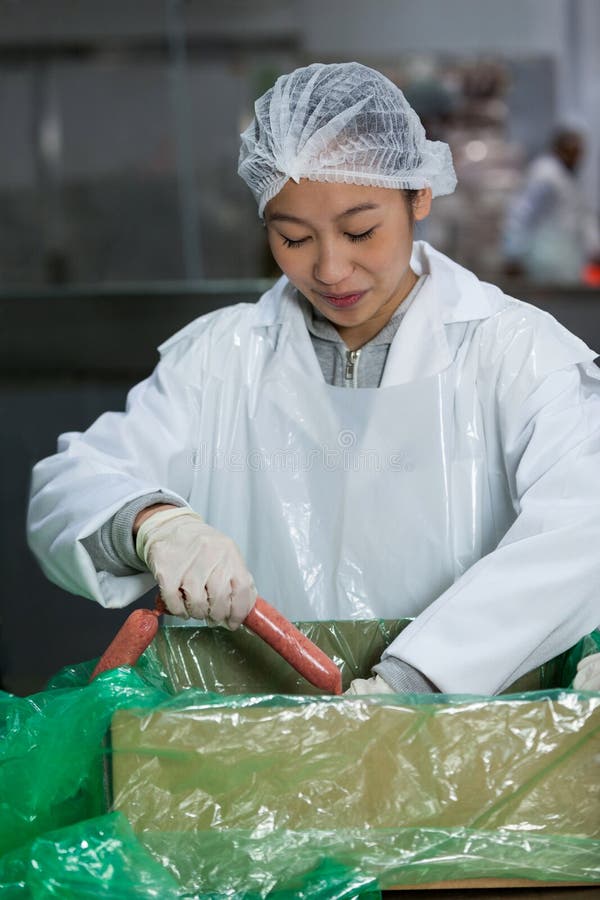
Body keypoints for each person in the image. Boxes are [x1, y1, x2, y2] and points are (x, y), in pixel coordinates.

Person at [27, 63, 600, 696]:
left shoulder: (516, 353)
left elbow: (583, 527)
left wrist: (414, 683)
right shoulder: (221, 357)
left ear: (419, 196)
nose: (331, 269)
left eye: (360, 232)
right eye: (294, 238)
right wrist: (155, 524)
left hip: (463, 730)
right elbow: (70, 486)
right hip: (253, 741)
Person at [503, 127, 600, 284]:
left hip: (566, 258)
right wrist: (514, 253)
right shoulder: (545, 173)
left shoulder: (571, 176)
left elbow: (582, 216)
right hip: (542, 257)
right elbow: (523, 213)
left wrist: (594, 248)